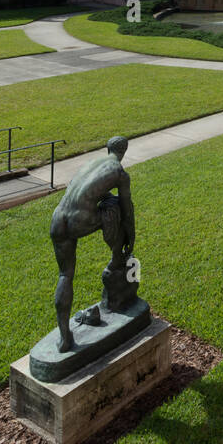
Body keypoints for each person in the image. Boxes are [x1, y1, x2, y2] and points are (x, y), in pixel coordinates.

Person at [48, 136, 135, 352]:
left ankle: (64, 336)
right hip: (80, 220)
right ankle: (117, 259)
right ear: (124, 151)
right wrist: (130, 235)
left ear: (107, 148)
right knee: (115, 206)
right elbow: (128, 208)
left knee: (65, 275)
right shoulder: (120, 173)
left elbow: (82, 189)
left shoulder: (91, 164)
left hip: (58, 218)